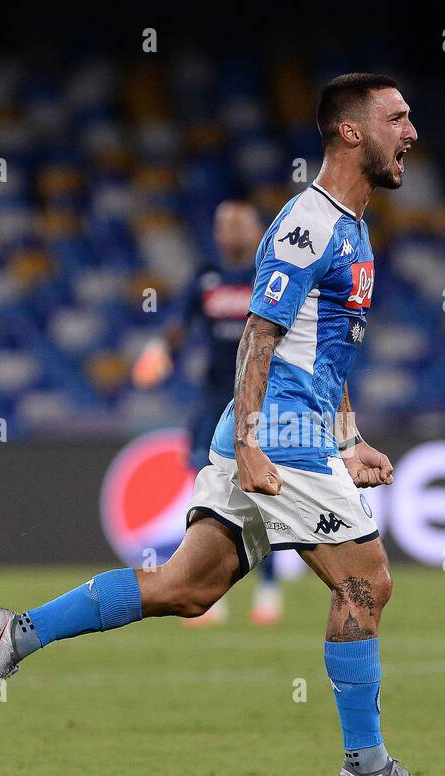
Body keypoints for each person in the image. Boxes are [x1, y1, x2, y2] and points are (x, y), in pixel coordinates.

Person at [0, 73, 445, 776]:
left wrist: (350, 440)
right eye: (398, 117)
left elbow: (328, 354)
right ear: (352, 132)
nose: (411, 132)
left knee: (185, 588)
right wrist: (257, 442)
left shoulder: (353, 230)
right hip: (276, 432)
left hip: (290, 428)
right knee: (367, 583)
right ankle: (366, 765)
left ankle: (15, 635)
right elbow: (258, 332)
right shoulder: (309, 223)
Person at [131, 198, 283, 626]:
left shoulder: (270, 276)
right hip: (213, 403)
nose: (231, 232)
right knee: (206, 496)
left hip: (258, 403)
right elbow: (180, 325)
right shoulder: (204, 278)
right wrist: (158, 352)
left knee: (262, 499)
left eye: (240, 224)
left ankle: (269, 589)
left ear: (256, 230)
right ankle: (207, 591)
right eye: (224, 225)